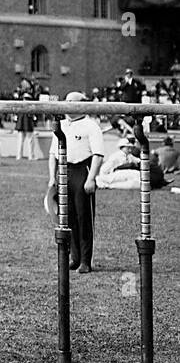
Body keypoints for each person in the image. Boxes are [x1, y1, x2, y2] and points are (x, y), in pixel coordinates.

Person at [45, 92, 103, 273]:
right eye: (66, 101)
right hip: (64, 171)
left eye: (71, 102)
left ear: (81, 105)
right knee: (67, 217)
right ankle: (74, 257)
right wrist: (52, 177)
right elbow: (52, 154)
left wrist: (91, 177)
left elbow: (98, 154)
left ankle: (86, 260)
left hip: (82, 170)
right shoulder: (60, 126)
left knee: (83, 217)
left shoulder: (91, 126)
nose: (67, 104)